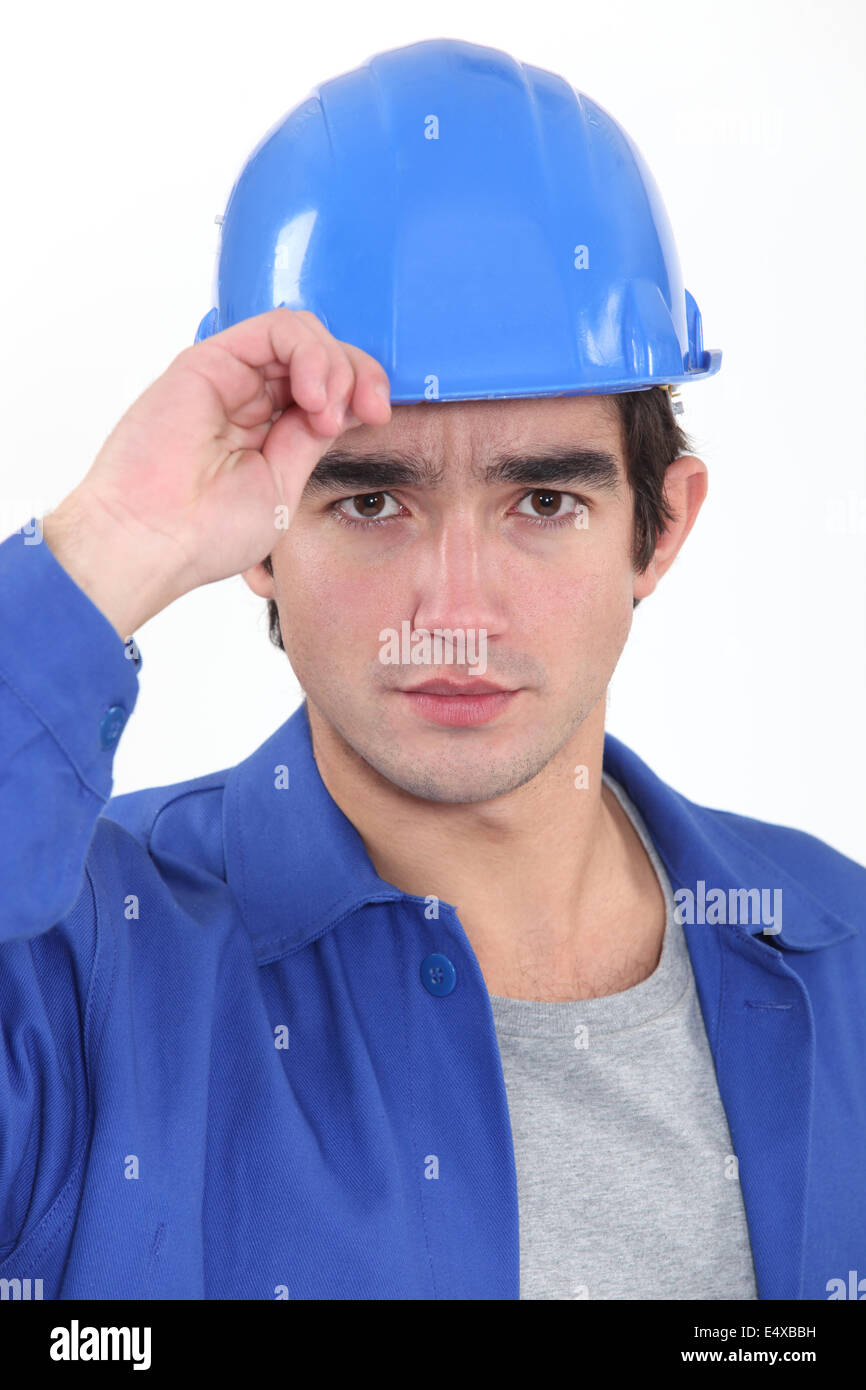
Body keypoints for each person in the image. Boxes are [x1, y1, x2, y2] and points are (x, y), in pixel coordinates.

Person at [1, 37, 864, 1304]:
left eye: (544, 502)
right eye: (367, 503)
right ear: (260, 539)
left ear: (659, 527)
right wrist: (104, 550)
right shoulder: (77, 973)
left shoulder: (838, 955)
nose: (453, 609)